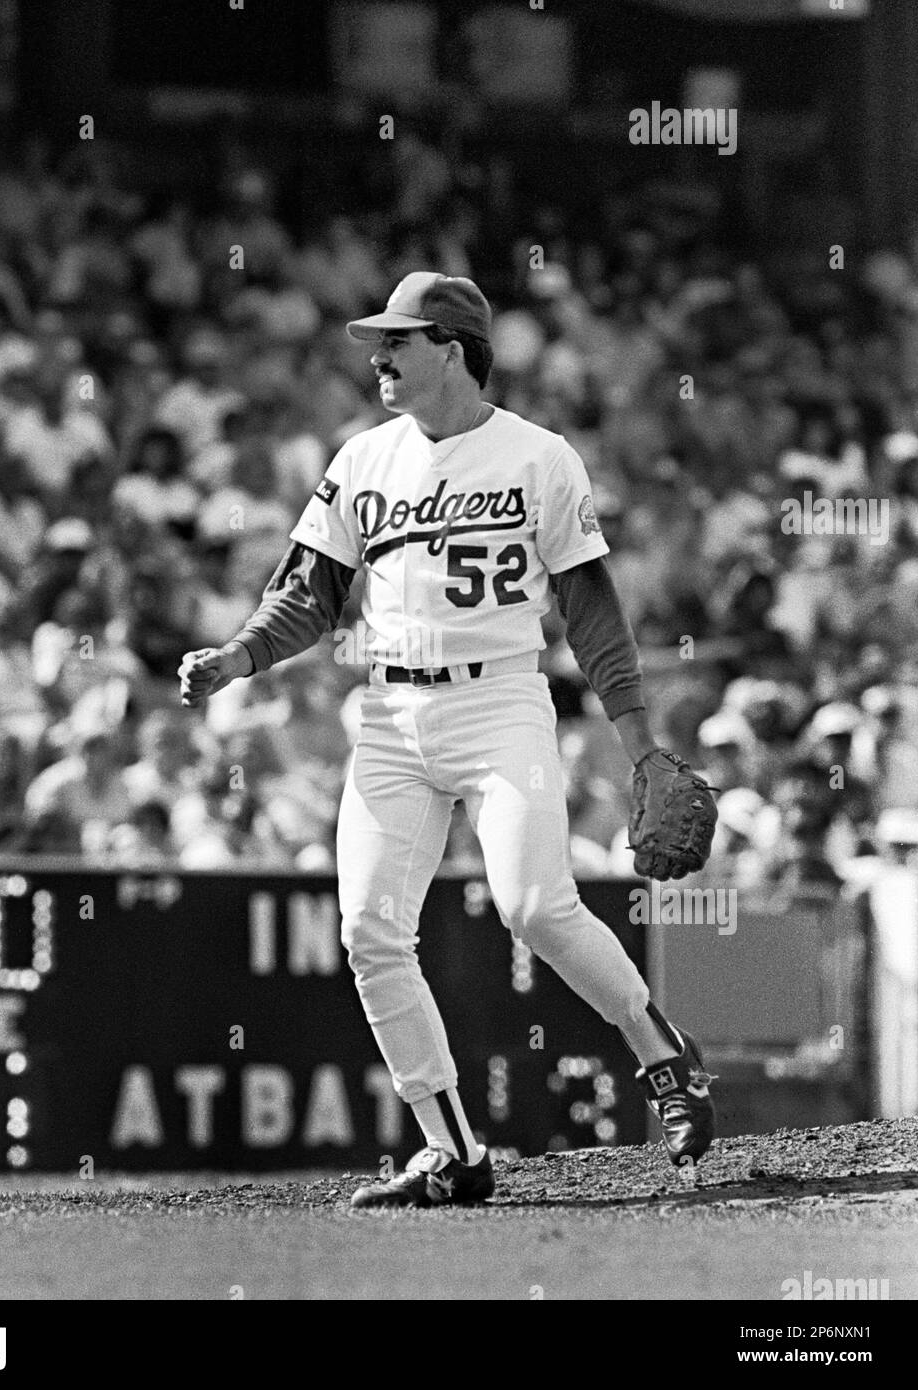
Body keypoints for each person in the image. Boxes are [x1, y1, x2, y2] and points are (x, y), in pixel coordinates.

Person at [179, 273, 717, 1209]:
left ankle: (658, 1052)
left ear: (455, 348)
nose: (378, 356)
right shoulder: (361, 460)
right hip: (388, 716)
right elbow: (307, 595)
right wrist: (236, 658)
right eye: (376, 340)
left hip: (500, 702)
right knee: (366, 931)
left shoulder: (539, 456)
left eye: (400, 339)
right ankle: (452, 1151)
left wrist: (637, 746)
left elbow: (592, 615)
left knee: (534, 907)